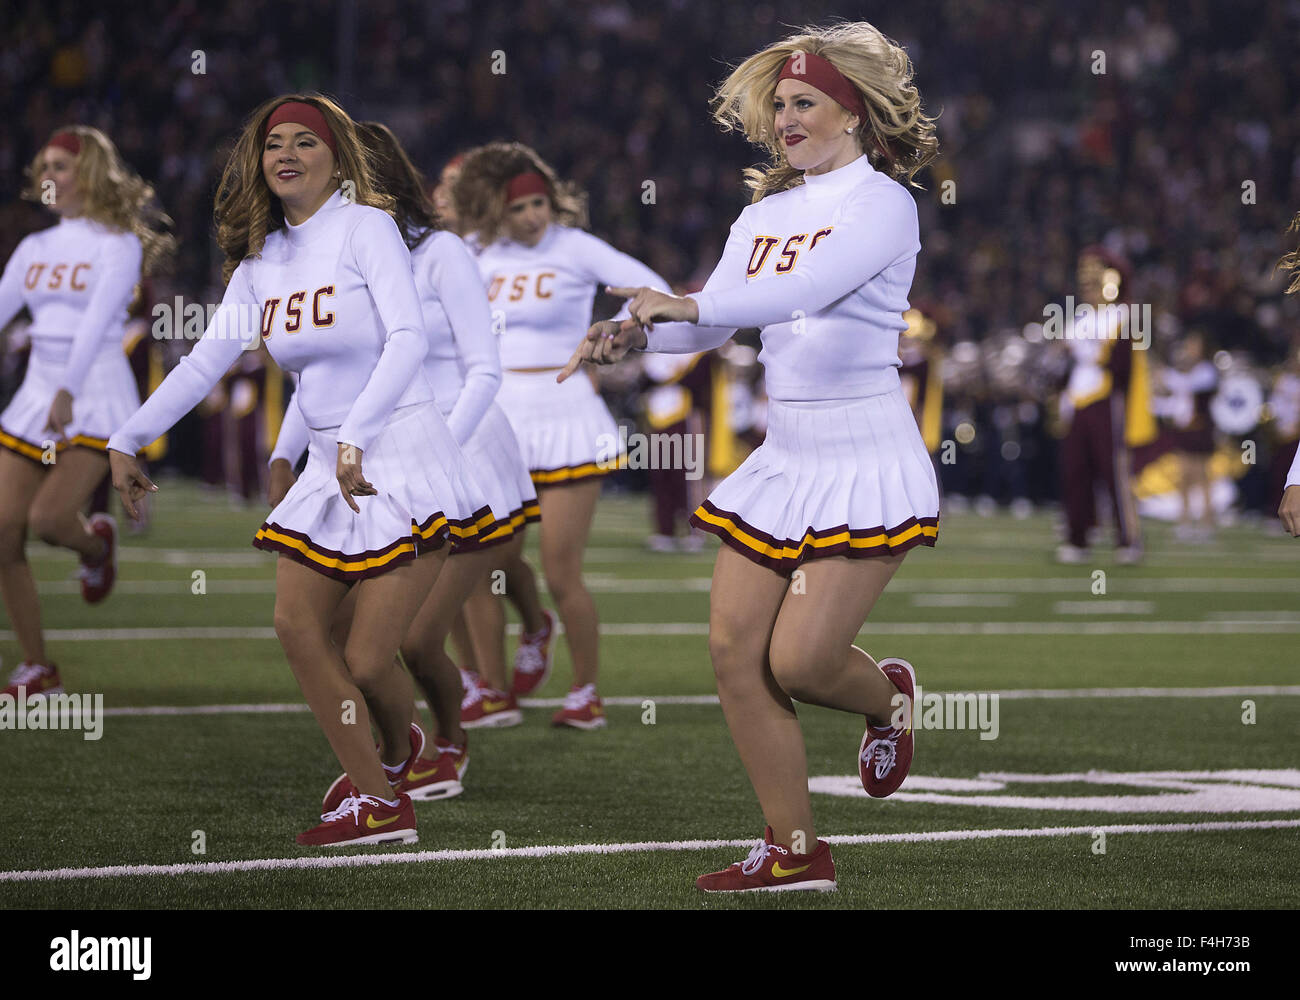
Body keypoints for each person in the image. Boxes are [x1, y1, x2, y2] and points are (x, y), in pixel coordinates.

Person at [561, 21, 940, 891]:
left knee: (801, 663)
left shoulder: (884, 202)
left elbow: (804, 290)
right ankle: (795, 850)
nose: (786, 118)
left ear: (850, 112)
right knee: (735, 651)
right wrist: (633, 339)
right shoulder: (763, 213)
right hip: (786, 455)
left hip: (864, 452)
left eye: (804, 102)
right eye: (780, 106)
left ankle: (887, 700)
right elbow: (726, 317)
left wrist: (678, 306)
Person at [108, 95, 491, 847]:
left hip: (399, 456)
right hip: (329, 463)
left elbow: (408, 340)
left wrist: (356, 439)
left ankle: (400, 751)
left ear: (336, 156)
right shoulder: (260, 262)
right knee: (294, 624)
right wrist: (126, 437)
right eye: (272, 143)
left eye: (304, 142)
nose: (286, 153)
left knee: (371, 657)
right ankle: (382, 799)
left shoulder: (367, 227)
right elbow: (204, 363)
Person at [268, 122, 541, 808]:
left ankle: (446, 740)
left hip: (454, 453)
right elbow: (323, 374)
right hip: (367, 464)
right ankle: (399, 747)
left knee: (417, 642)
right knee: (340, 636)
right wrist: (281, 451)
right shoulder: (326, 253)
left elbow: (484, 371)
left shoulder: (439, 250)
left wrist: (433, 452)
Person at [455, 140, 689, 728]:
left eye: (540, 203)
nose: (533, 215)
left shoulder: (576, 246)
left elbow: (656, 291)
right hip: (494, 413)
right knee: (485, 563)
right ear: (494, 212)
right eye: (518, 208)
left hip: (565, 414)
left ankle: (585, 692)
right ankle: (500, 678)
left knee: (562, 570)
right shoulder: (474, 252)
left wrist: (622, 326)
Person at [0, 126, 174, 699]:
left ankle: (97, 548)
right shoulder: (34, 248)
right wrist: (50, 388)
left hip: (94, 391)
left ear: (91, 174)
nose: (49, 174)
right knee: (3, 530)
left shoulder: (117, 243)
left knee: (49, 522)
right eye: (44, 164)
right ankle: (37, 667)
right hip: (36, 392)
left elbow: (100, 323)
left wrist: (68, 389)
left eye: (63, 165)